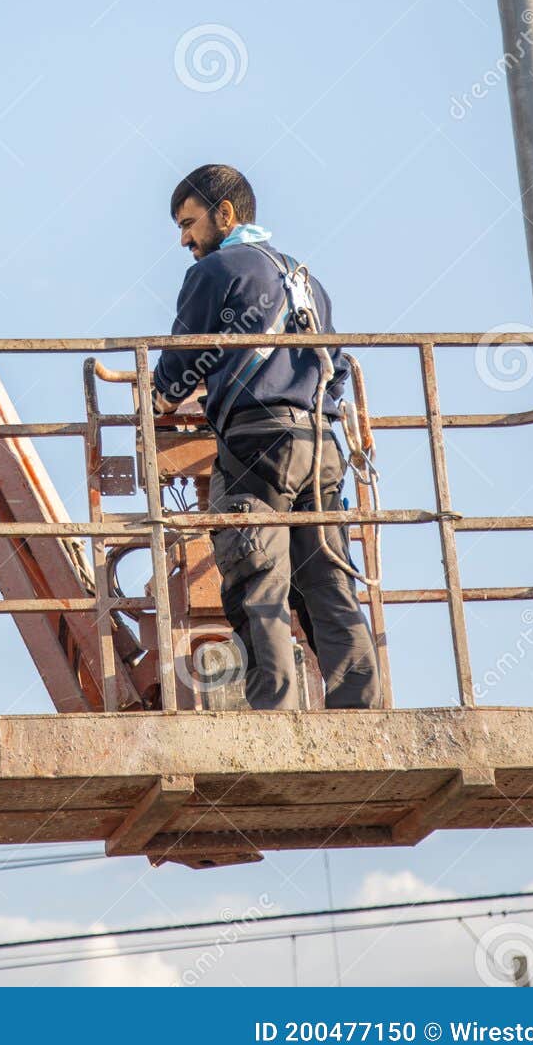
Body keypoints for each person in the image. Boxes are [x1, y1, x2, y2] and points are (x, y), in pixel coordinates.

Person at [152, 163, 381, 711]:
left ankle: (273, 719)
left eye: (189, 223)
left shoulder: (216, 272)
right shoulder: (307, 280)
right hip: (322, 447)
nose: (185, 239)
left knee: (258, 583)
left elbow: (177, 372)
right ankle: (361, 714)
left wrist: (160, 398)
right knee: (327, 580)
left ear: (224, 214)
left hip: (258, 448)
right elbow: (338, 368)